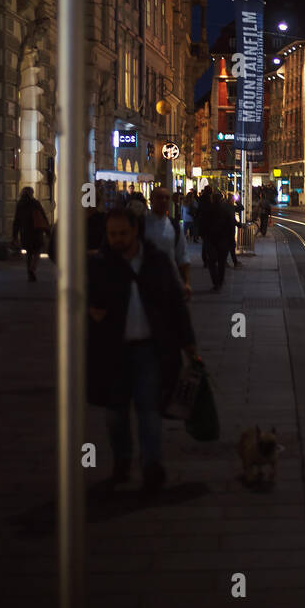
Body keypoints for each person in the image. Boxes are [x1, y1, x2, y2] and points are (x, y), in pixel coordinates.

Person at [87, 205, 197, 493]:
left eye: (123, 233)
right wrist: (91, 309)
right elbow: (84, 300)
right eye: (112, 234)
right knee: (115, 414)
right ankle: (122, 460)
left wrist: (189, 346)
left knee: (149, 410)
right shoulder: (100, 264)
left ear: (135, 230)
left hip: (150, 350)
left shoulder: (157, 261)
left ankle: (152, 466)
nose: (118, 239)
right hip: (113, 351)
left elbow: (175, 305)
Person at [144, 187, 191, 299]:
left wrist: (186, 283)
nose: (163, 201)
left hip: (170, 281)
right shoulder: (141, 224)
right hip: (145, 281)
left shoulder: (174, 226)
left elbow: (182, 256)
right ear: (151, 200)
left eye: (166, 198)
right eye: (159, 197)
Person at [12, 186, 51, 282]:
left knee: (29, 253)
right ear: (31, 193)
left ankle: (29, 272)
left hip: (25, 232)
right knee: (38, 250)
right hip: (36, 232)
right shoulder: (35, 203)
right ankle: (32, 268)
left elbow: (16, 221)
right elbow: (42, 217)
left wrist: (15, 235)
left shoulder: (20, 204)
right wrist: (48, 231)